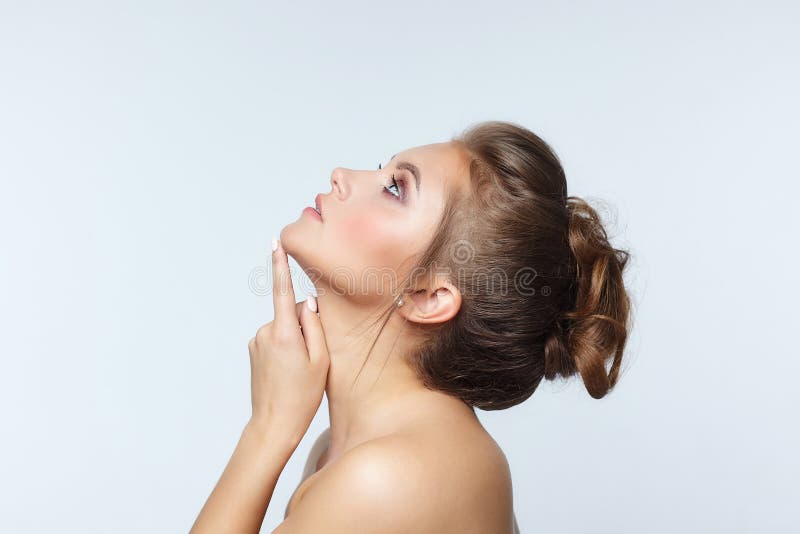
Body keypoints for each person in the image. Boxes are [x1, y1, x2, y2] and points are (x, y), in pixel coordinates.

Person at [190, 120, 634, 533]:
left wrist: (268, 428)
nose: (341, 175)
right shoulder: (347, 450)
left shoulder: (389, 477)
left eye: (394, 189)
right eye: (384, 171)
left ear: (428, 296)